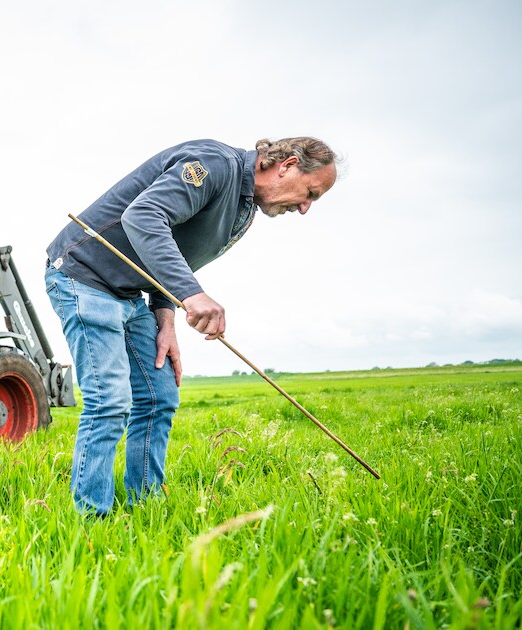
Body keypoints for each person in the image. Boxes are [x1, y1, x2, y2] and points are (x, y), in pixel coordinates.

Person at [44, 137, 338, 516]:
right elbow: (144, 217)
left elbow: (174, 252)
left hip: (131, 293)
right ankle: (91, 521)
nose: (304, 208)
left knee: (159, 395)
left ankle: (145, 508)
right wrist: (193, 295)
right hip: (84, 276)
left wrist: (166, 319)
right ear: (287, 164)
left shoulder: (244, 207)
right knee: (110, 400)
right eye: (309, 192)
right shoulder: (212, 165)